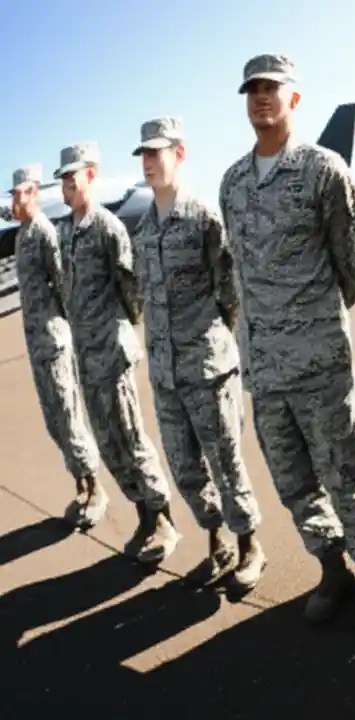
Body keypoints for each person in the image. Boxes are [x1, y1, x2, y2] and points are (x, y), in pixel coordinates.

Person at [219, 54, 355, 630]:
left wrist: (310, 322)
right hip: (264, 370)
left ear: (295, 98)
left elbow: (351, 267)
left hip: (320, 362)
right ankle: (331, 566)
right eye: (253, 89)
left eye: (273, 88)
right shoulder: (233, 183)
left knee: (348, 471)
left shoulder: (323, 170)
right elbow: (238, 272)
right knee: (291, 478)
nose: (262, 97)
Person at [132, 117, 267, 591]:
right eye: (143, 155)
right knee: (185, 467)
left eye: (157, 152)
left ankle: (250, 545)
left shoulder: (203, 218)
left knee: (226, 461)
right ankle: (215, 539)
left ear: (179, 154)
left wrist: (213, 343)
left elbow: (230, 292)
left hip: (207, 367)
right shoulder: (144, 233)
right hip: (166, 375)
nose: (149, 162)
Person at [54, 141, 179, 565]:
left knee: (131, 437)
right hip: (85, 358)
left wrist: (121, 333)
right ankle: (142, 512)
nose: (68, 182)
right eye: (64, 177)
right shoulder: (63, 233)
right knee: (108, 444)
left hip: (111, 351)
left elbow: (131, 289)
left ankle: (163, 518)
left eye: (75, 174)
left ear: (92, 174)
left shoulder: (107, 228)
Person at [10, 163, 102, 528]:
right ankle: (79, 484)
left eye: (17, 194)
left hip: (55, 341)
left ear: (32, 193)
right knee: (54, 420)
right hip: (36, 344)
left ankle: (96, 489)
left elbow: (63, 286)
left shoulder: (46, 233)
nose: (13, 202)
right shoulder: (21, 237)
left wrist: (70, 333)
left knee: (68, 413)